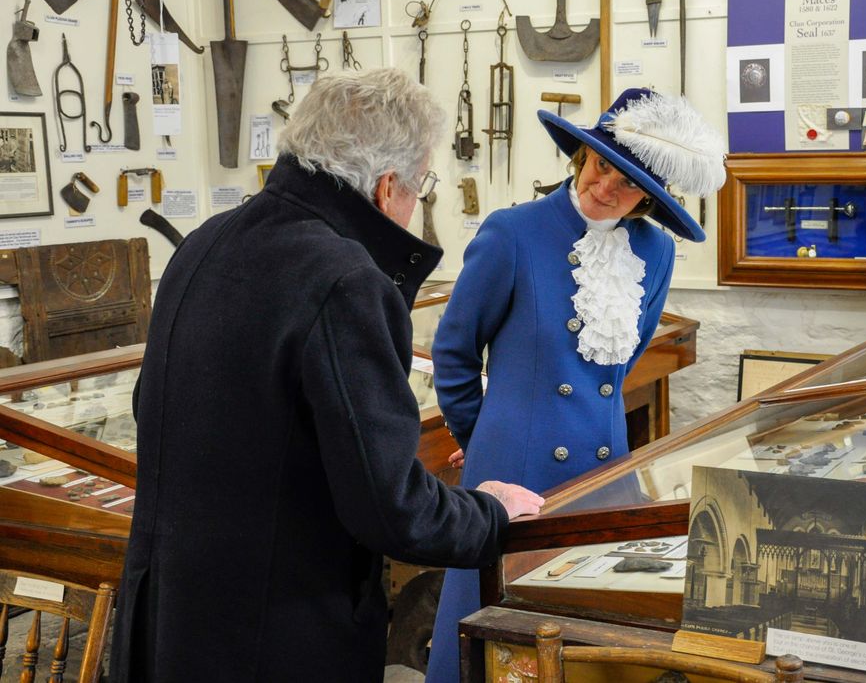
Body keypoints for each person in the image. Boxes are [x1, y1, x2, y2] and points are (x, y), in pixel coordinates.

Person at [108, 68, 543, 682]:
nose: (416, 202)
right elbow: (389, 508)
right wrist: (488, 513)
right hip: (275, 639)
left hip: (170, 624)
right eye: (421, 186)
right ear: (387, 186)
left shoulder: (205, 242)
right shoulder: (343, 278)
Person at [425, 88, 726, 681]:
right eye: (600, 166)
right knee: (497, 636)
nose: (605, 187)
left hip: (603, 470)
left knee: (586, 641)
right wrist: (483, 436)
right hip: (516, 471)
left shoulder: (656, 250)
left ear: (651, 198)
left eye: (627, 183)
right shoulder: (512, 232)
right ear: (581, 156)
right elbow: (454, 354)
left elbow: (623, 361)